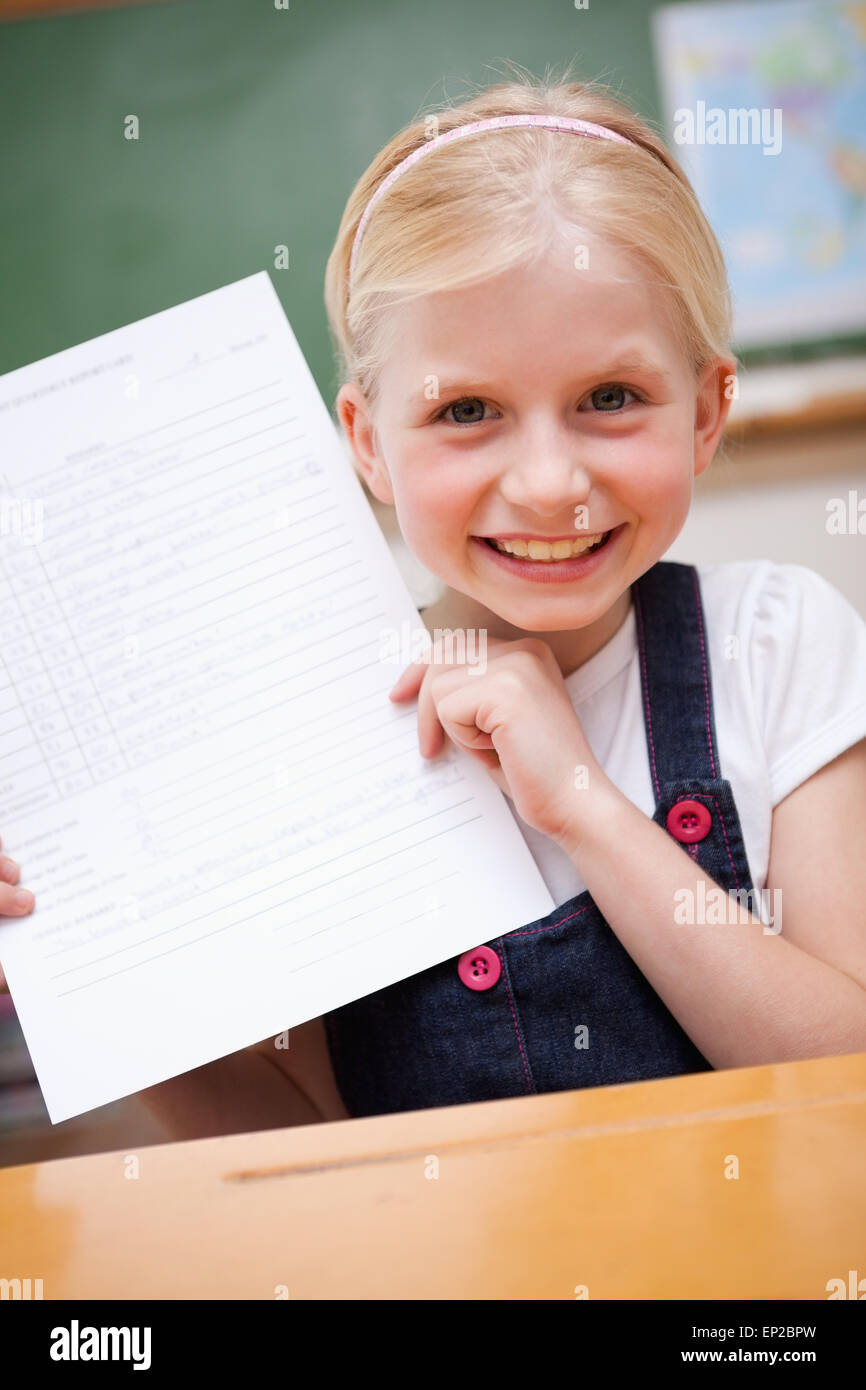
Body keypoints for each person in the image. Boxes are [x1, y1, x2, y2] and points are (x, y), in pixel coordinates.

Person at [3, 71, 865, 1139]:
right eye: (466, 410)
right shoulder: (297, 721)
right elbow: (302, 1147)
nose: (548, 481)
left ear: (705, 411)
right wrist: (81, 970)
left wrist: (581, 806)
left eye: (609, 397)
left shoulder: (776, 642)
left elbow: (846, 1087)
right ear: (365, 441)